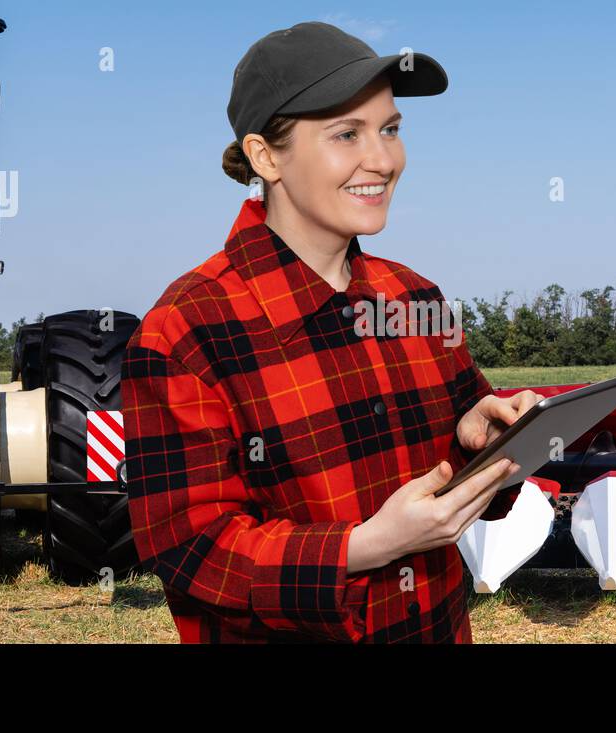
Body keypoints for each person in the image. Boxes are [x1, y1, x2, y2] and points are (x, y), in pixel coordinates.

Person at [121, 21, 543, 643]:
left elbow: (460, 491)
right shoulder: (184, 332)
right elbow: (192, 552)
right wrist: (364, 547)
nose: (383, 159)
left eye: (391, 129)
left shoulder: (415, 298)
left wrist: (484, 440)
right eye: (347, 134)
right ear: (266, 156)